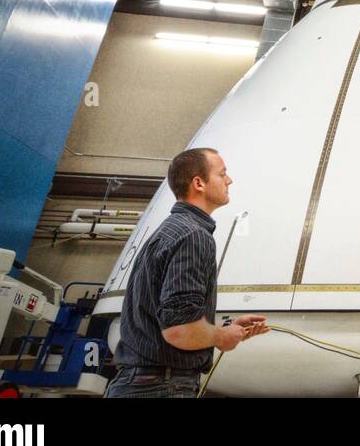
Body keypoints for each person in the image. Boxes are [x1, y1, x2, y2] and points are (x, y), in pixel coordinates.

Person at [105, 148, 268, 398]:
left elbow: (168, 318)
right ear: (199, 183)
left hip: (142, 382)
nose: (229, 180)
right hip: (161, 387)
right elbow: (179, 330)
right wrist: (221, 336)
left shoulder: (170, 231)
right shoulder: (194, 236)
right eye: (222, 174)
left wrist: (225, 328)